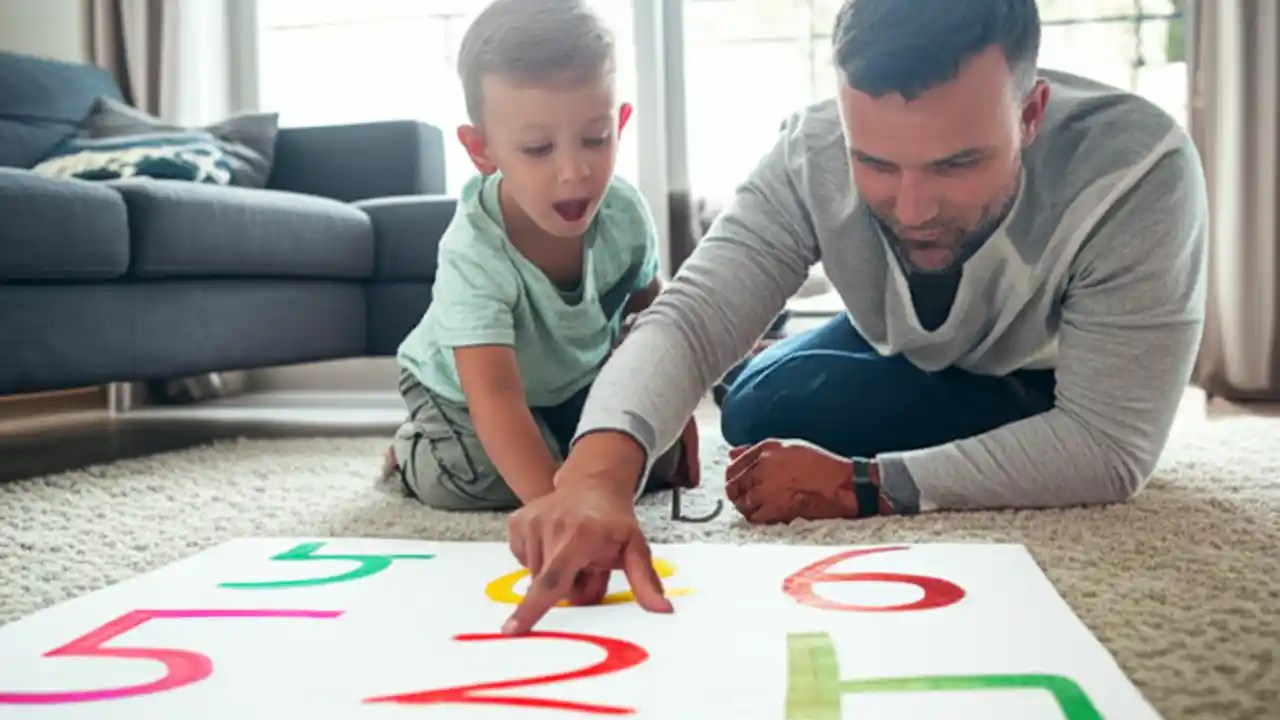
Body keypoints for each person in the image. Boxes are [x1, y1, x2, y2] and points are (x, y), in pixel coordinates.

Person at [498, 0, 1209, 635]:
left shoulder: (1138, 172)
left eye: (957, 164)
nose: (912, 210)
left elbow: (1110, 449)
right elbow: (692, 317)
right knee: (758, 411)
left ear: (1030, 114)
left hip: (1047, 377)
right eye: (875, 162)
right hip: (899, 343)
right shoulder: (810, 152)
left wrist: (865, 484)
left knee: (812, 431)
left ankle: (996, 430)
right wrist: (594, 476)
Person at [384, 0, 699, 514]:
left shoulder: (625, 214)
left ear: (619, 124)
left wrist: (677, 419)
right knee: (484, 480)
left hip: (569, 381)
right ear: (482, 151)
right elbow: (495, 399)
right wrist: (559, 508)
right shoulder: (475, 250)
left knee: (639, 463)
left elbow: (655, 327)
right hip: (463, 395)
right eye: (537, 149)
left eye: (595, 139)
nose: (574, 170)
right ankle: (412, 450)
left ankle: (560, 443)